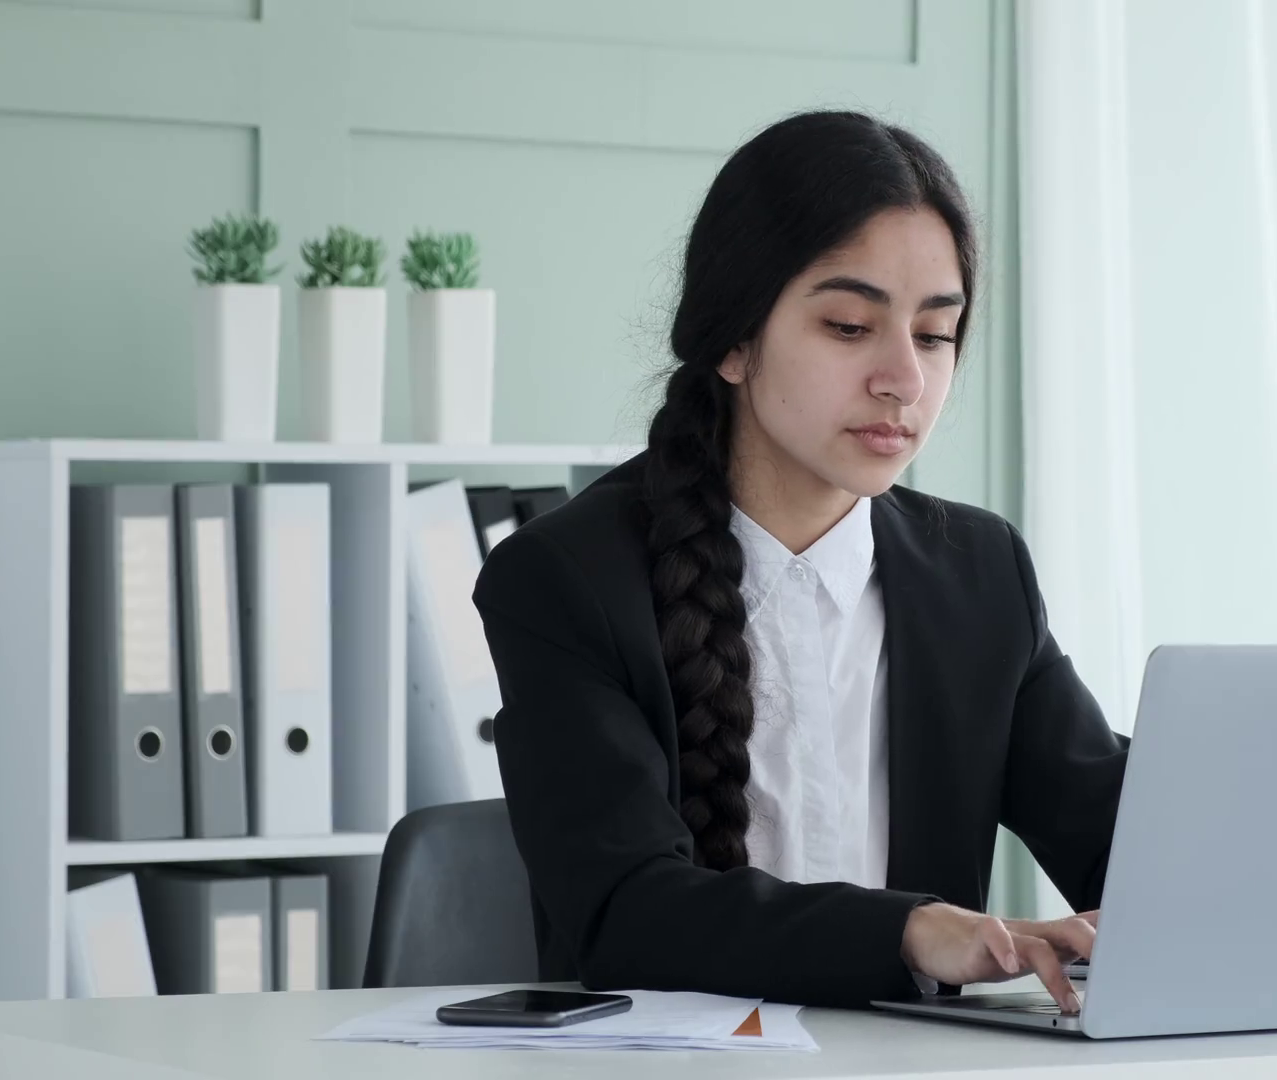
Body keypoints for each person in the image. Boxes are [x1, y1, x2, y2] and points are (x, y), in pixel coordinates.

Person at [473, 110, 1128, 1012]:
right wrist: (910, 929)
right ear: (734, 341)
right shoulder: (564, 579)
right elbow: (625, 912)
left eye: (934, 335)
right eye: (852, 326)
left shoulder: (978, 573)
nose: (904, 378)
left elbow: (1119, 844)